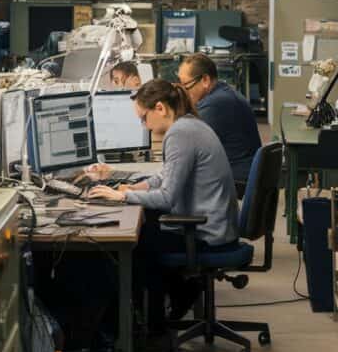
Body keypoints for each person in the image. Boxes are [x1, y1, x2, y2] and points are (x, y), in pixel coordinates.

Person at [88, 78, 239, 330]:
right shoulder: (189, 125)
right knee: (146, 228)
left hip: (205, 232)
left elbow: (167, 197)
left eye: (143, 118)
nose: (143, 126)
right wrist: (134, 187)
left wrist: (122, 197)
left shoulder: (180, 134)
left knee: (132, 246)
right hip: (215, 223)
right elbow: (164, 176)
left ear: (160, 108)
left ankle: (151, 323)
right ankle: (172, 299)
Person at [178, 53, 261, 195]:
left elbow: (186, 144)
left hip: (235, 179)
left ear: (205, 80)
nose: (184, 93)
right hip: (242, 173)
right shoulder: (222, 92)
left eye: (186, 86)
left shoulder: (216, 104)